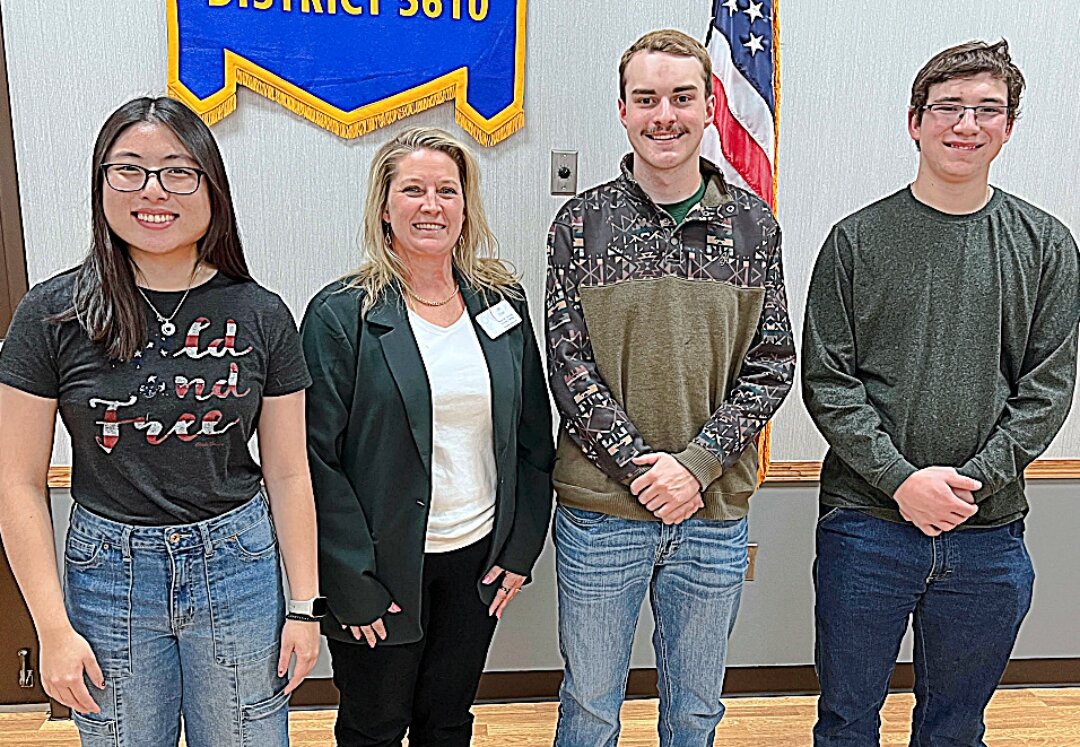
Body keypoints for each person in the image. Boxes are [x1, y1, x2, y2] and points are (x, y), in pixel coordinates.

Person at [0, 97, 321, 746]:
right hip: (108, 572)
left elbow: (288, 472)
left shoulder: (261, 314)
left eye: (178, 171)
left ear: (212, 186)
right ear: (102, 184)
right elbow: (16, 481)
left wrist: (303, 607)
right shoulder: (52, 313)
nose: (154, 190)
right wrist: (52, 628)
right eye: (130, 170)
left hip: (237, 563)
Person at [802, 40, 1080, 746]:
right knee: (845, 721)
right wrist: (900, 481)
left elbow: (1047, 387)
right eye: (949, 107)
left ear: (1009, 127)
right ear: (915, 121)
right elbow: (829, 380)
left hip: (988, 532)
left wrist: (970, 482)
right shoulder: (856, 241)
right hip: (865, 525)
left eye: (987, 109)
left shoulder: (1046, 245)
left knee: (956, 727)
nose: (966, 124)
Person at [545, 29, 795, 746]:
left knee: (695, 710)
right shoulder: (580, 225)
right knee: (590, 706)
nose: (665, 115)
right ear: (621, 110)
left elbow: (773, 361)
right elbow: (569, 366)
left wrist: (695, 466)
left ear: (711, 106)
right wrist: (645, 472)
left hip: (713, 512)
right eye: (646, 98)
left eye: (682, 98)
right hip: (601, 513)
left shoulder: (752, 225)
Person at [301, 126, 554, 747]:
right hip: (380, 570)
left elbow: (532, 439)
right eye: (412, 190)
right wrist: (350, 585)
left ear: (465, 207)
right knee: (375, 725)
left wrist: (519, 552)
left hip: (477, 563)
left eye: (447, 190)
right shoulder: (343, 315)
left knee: (447, 721)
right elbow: (316, 461)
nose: (431, 205)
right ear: (384, 207)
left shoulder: (502, 302)